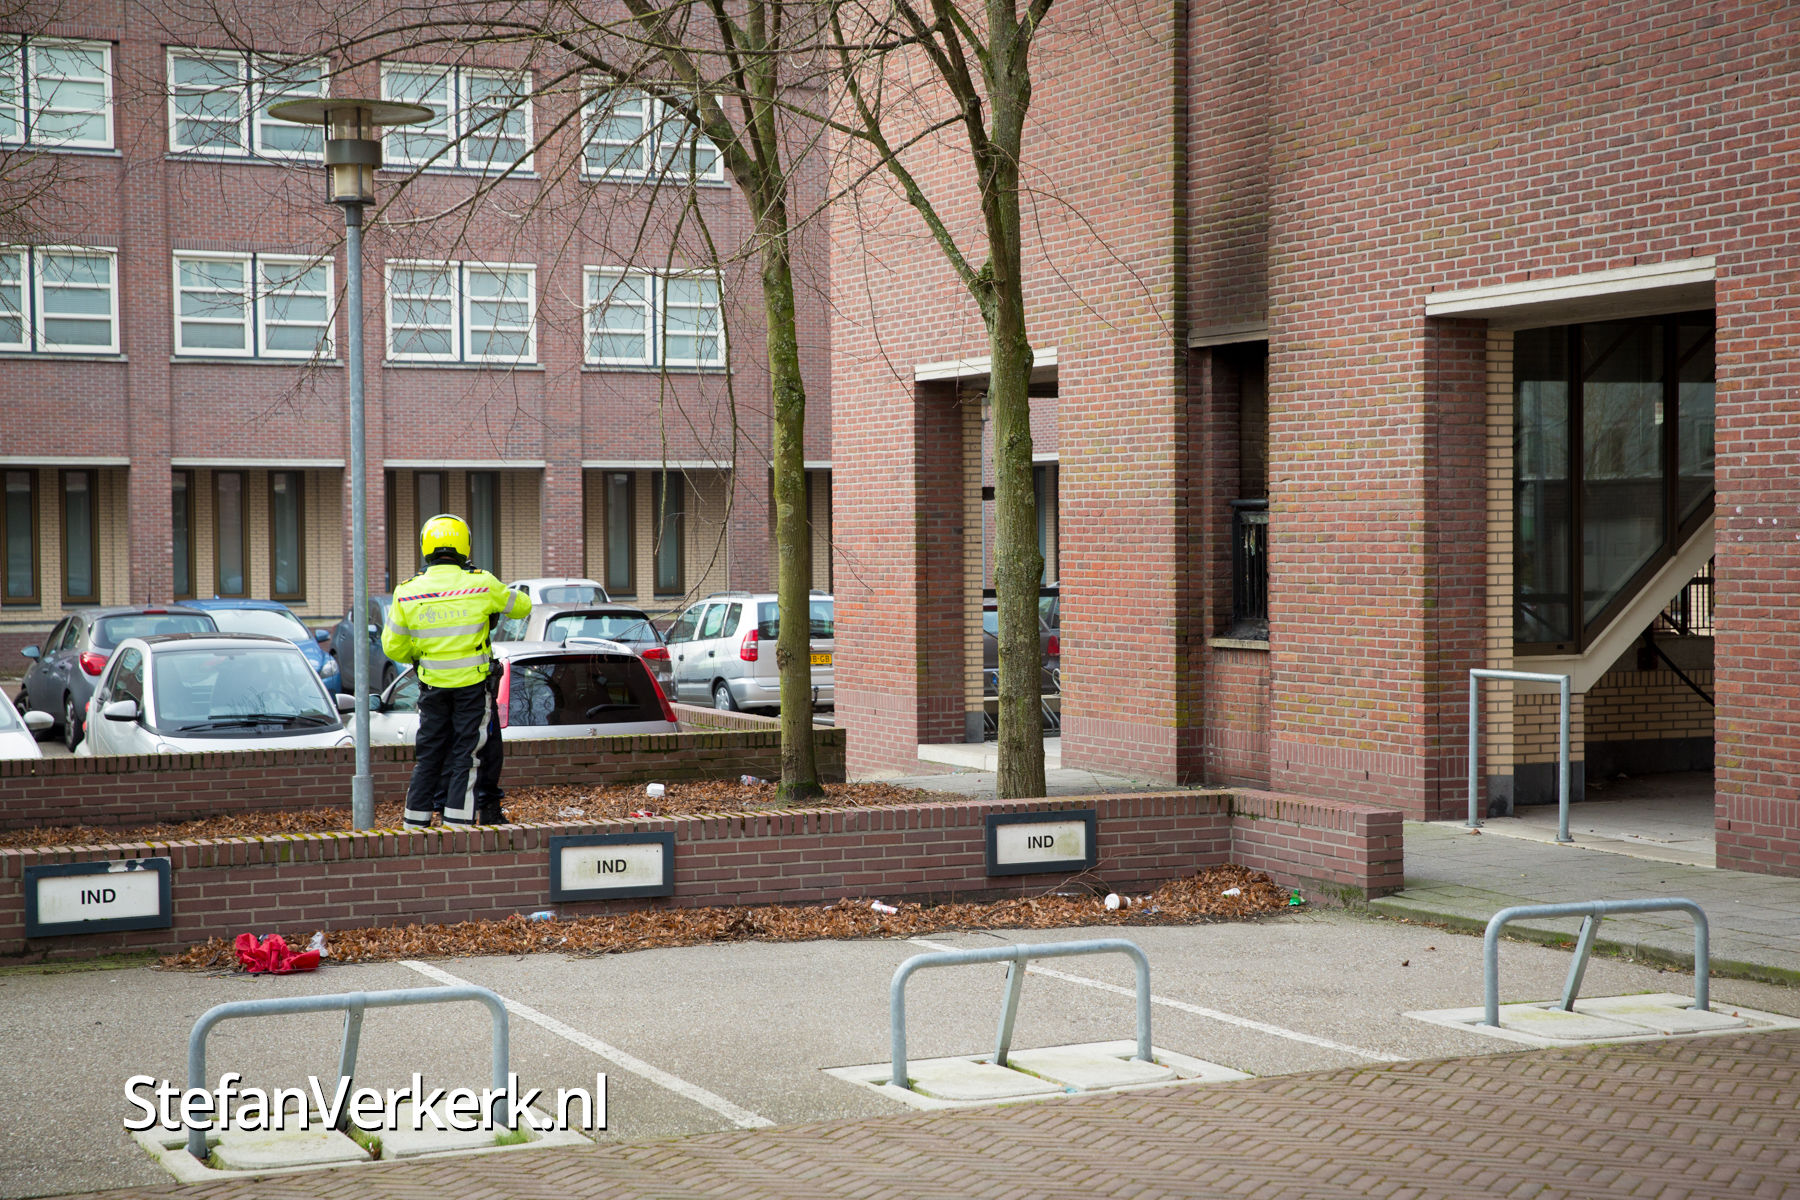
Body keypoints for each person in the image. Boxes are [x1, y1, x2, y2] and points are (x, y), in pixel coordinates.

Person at [382, 514, 531, 827]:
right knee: (467, 754)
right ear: (465, 545)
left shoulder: (407, 591)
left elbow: (392, 647)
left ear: (426, 545)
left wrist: (421, 656)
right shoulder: (481, 583)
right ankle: (457, 825)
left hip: (431, 688)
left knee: (429, 755)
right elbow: (523, 606)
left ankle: (414, 824)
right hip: (472, 690)